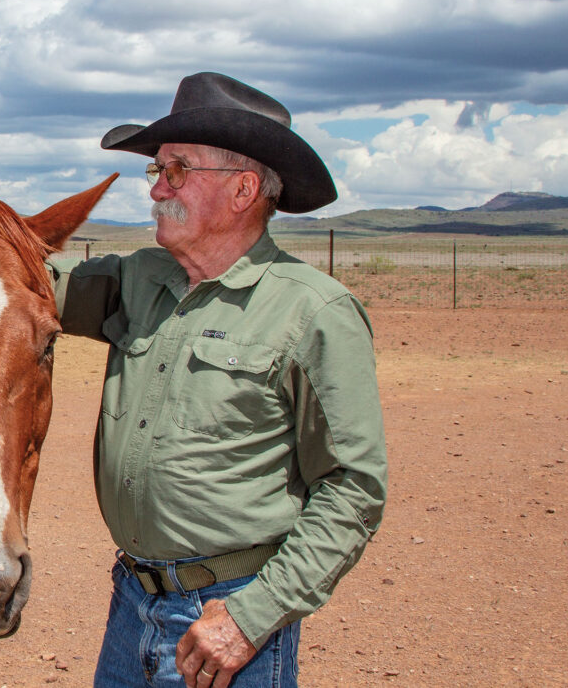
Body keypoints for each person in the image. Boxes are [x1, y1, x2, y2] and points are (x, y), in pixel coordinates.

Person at [49, 72, 388, 688]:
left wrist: (250, 618)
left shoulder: (313, 313)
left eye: (176, 171)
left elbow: (353, 490)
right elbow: (18, 287)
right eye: (157, 172)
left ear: (243, 189)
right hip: (132, 604)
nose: (155, 192)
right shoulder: (139, 280)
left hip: (228, 619)